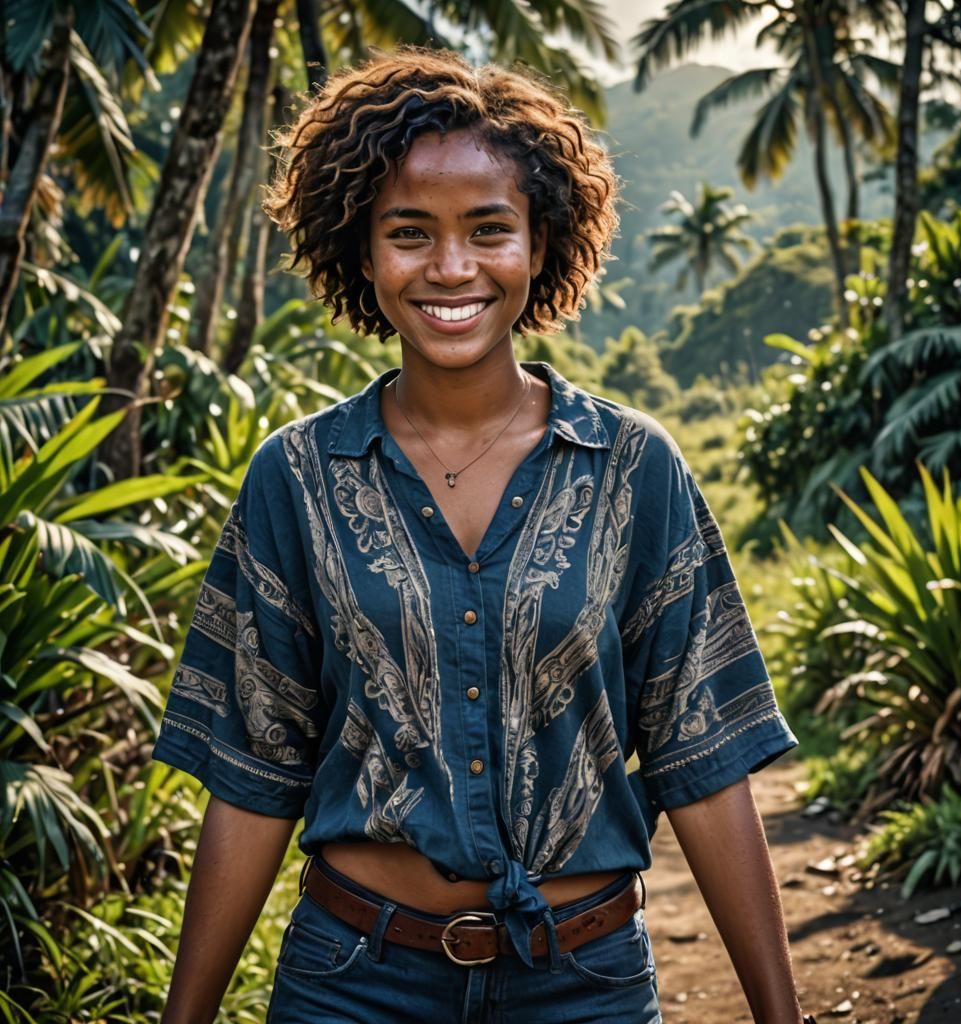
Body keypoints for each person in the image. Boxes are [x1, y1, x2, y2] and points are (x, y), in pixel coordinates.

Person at [152, 46, 816, 1024]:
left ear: (541, 245)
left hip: (582, 985)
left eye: (488, 229)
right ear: (361, 250)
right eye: (409, 232)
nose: (450, 267)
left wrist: (780, 1015)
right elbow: (256, 772)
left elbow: (701, 759)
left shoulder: (633, 467)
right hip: (352, 982)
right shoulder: (295, 478)